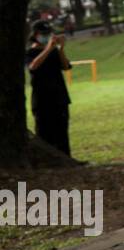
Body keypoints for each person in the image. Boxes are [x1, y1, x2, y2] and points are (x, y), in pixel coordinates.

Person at [26, 20, 71, 156]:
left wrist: (61, 49)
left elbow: (66, 66)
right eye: (43, 34)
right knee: (44, 135)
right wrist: (48, 49)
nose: (46, 36)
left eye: (48, 33)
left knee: (62, 133)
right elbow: (33, 67)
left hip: (60, 97)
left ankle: (67, 160)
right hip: (42, 100)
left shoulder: (54, 51)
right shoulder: (30, 52)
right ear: (35, 34)